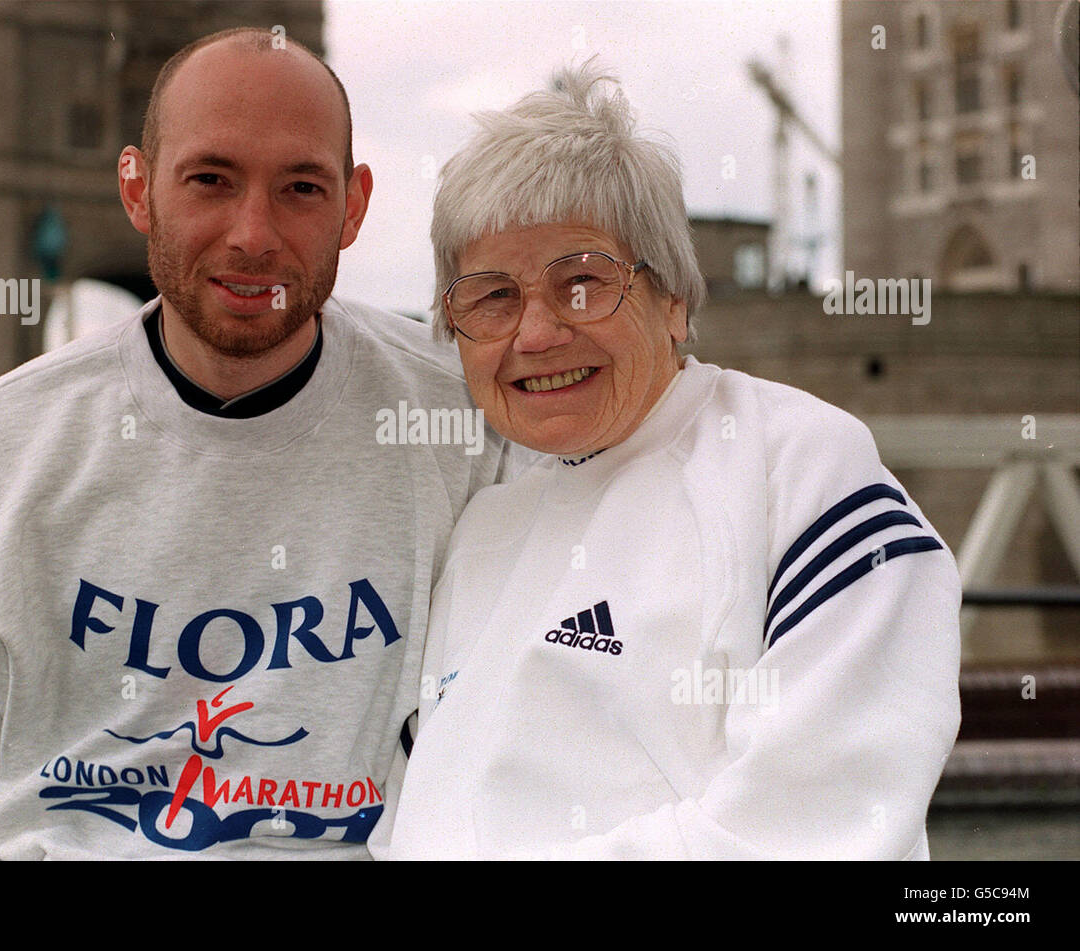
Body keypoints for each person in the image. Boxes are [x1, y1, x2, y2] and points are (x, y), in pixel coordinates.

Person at [0, 28, 522, 859]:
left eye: (300, 187)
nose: (253, 233)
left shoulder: (462, 424)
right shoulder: (10, 439)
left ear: (354, 206)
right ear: (138, 190)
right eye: (211, 180)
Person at [372, 62, 962, 860]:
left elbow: (817, 823)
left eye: (582, 283)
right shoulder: (486, 519)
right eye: (492, 297)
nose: (537, 333)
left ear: (675, 298)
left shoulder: (796, 468)